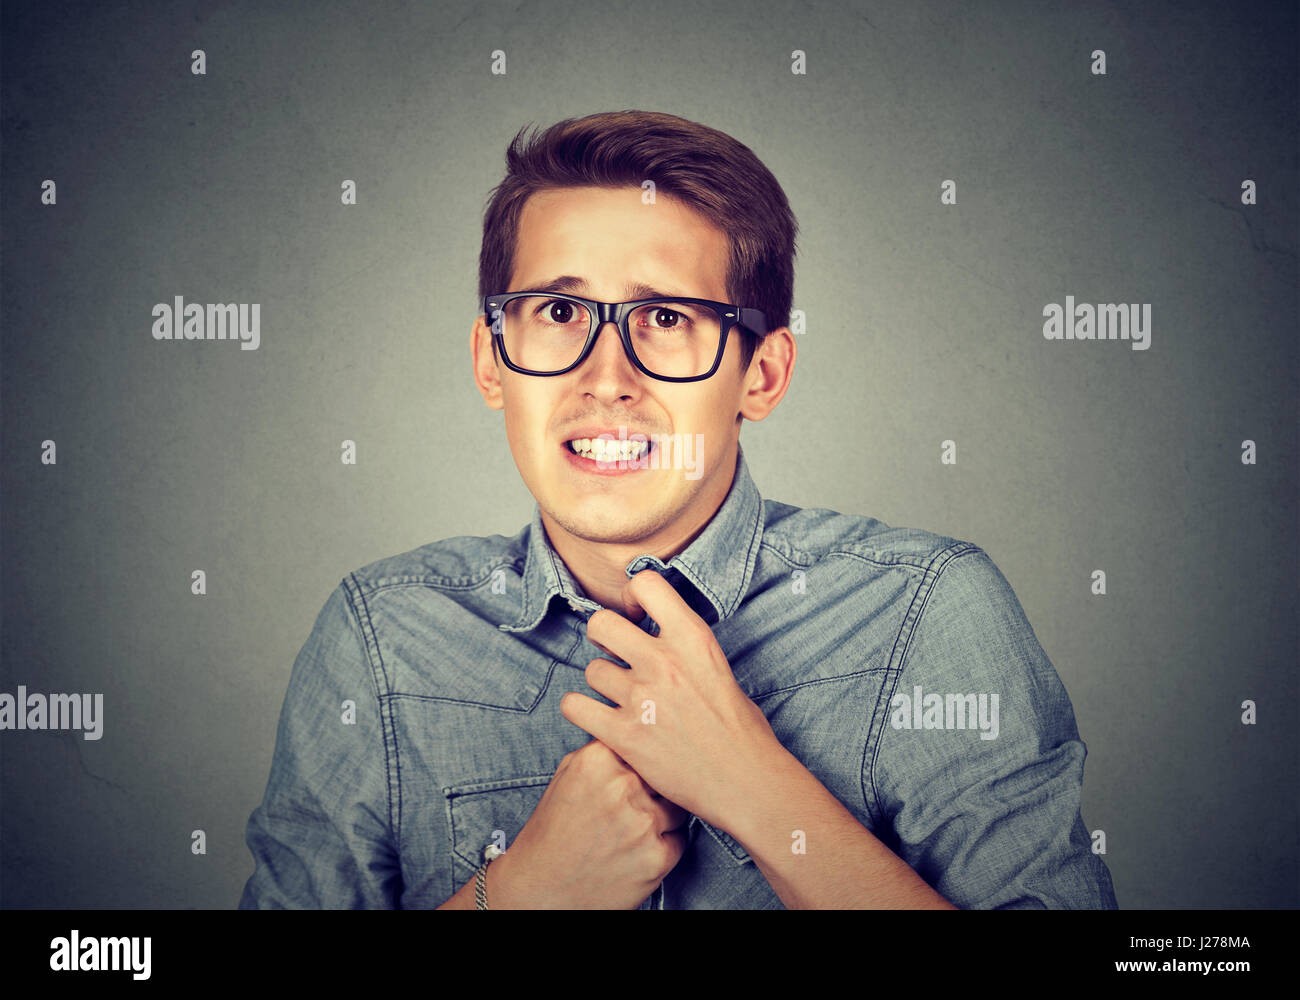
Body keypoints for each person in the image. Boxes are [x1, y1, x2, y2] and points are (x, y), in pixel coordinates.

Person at [239, 110, 1118, 909]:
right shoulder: (379, 636)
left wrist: (755, 792)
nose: (605, 378)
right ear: (491, 359)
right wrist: (523, 899)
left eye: (665, 318)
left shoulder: (930, 613)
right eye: (556, 310)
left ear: (762, 374)